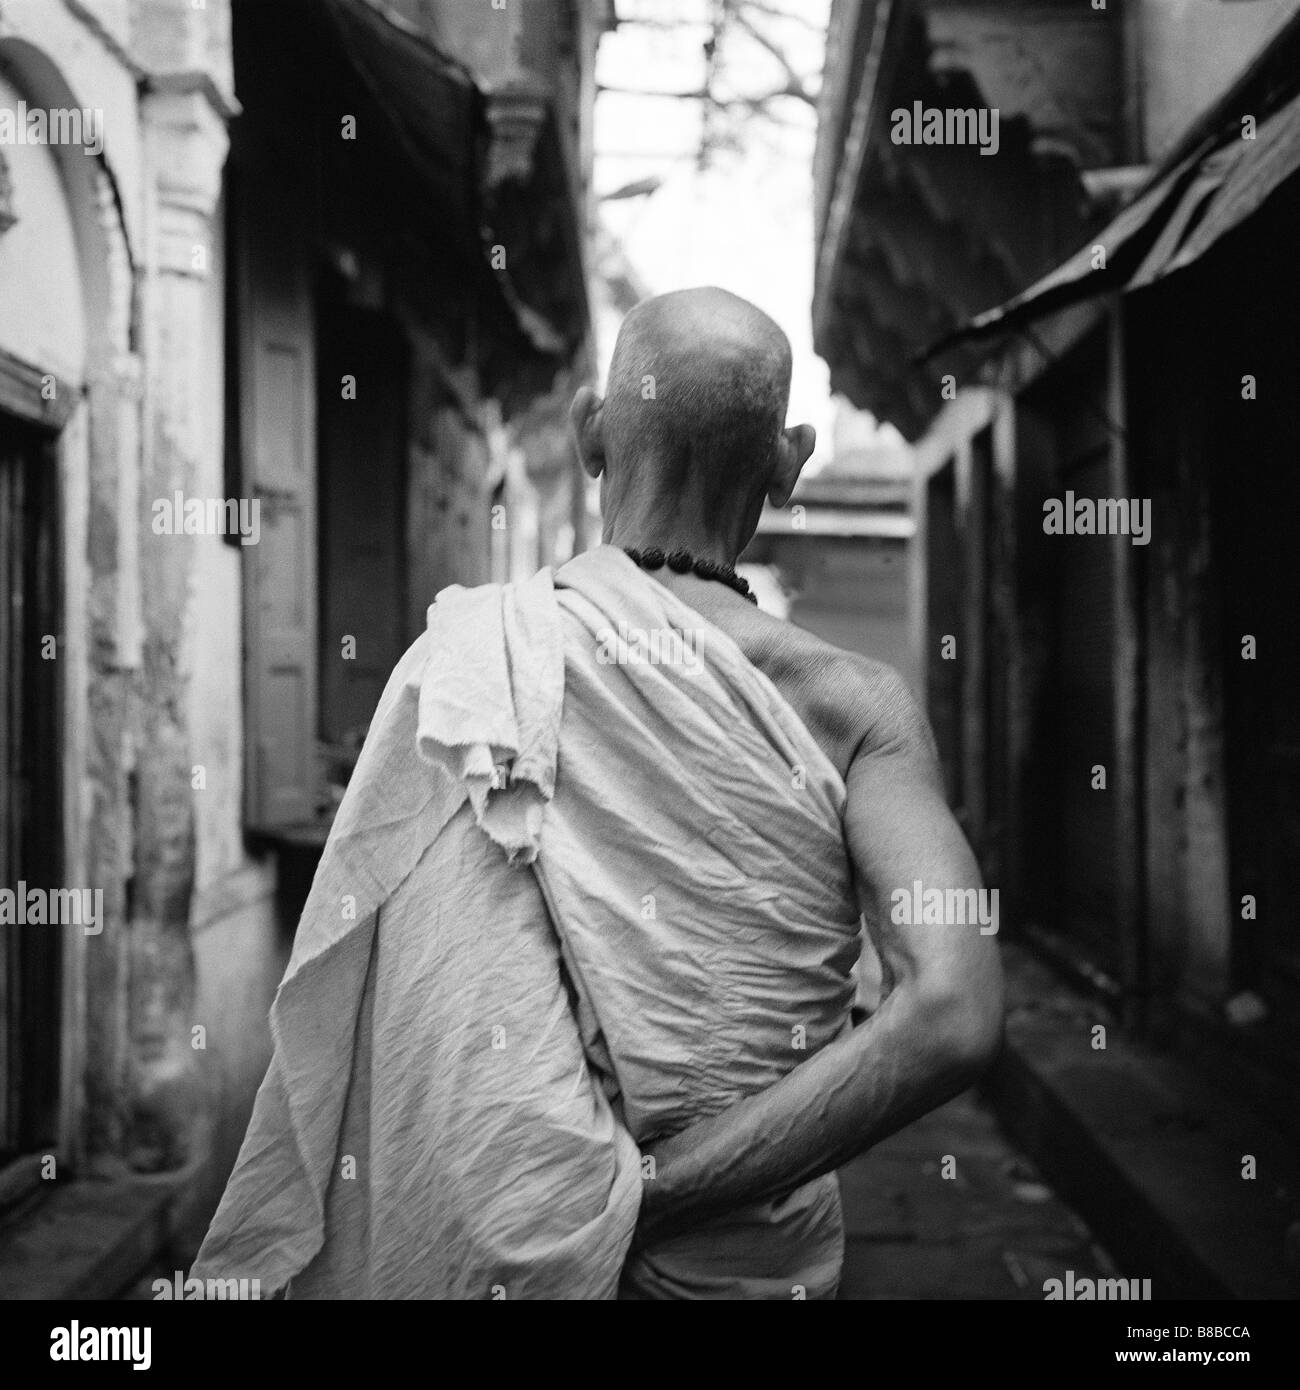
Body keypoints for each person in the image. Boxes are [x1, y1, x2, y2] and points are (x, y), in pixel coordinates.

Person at [192, 287, 1002, 1300]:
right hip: (742, 1255)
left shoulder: (471, 668)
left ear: (588, 432)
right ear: (789, 460)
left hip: (500, 1242)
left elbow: (399, 1009)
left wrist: (607, 1200)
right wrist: (659, 1196)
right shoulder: (856, 706)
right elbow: (954, 1008)